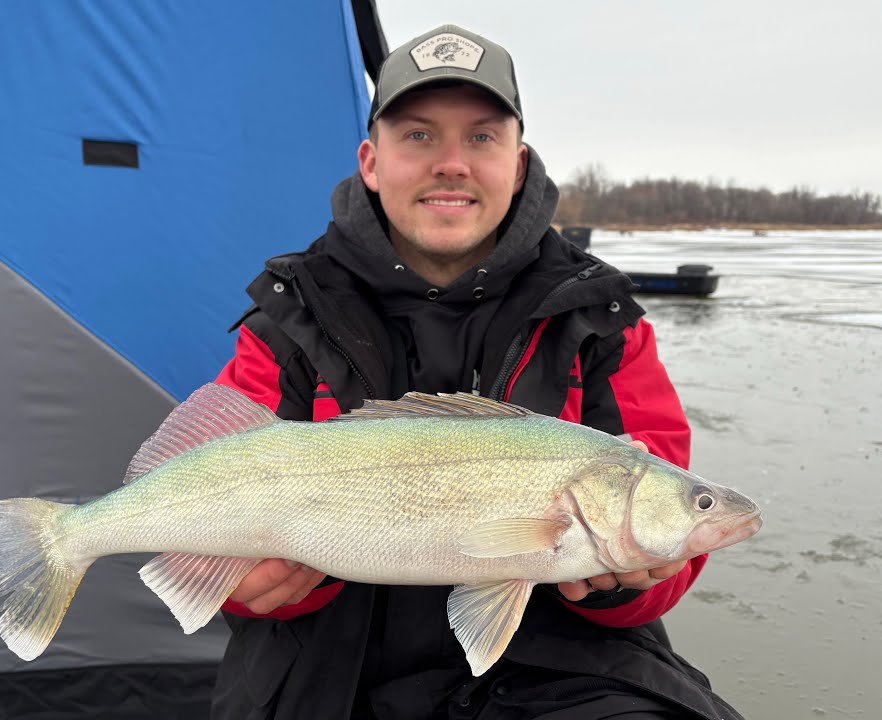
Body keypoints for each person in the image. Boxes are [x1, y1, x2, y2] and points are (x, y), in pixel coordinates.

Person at [211, 24, 744, 720]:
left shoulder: (603, 322)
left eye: (482, 137)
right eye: (419, 135)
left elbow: (663, 571)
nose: (452, 164)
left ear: (518, 164)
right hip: (323, 668)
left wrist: (624, 583)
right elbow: (209, 498)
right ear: (371, 161)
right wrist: (245, 583)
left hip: (565, 671)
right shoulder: (288, 315)